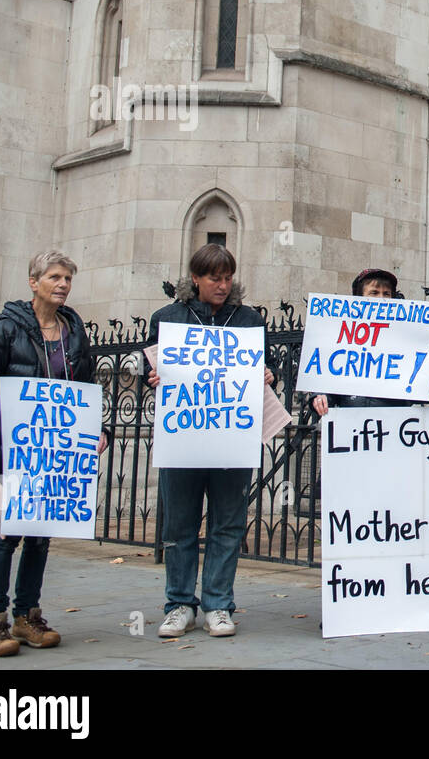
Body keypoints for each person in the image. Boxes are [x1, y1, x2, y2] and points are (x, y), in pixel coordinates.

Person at [0, 251, 107, 657]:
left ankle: (27, 616)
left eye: (68, 279)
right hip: (12, 453)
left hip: (54, 455)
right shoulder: (5, 331)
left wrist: (98, 430)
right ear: (33, 282)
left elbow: (86, 391)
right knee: (5, 536)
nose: (62, 285)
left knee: (40, 537)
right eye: (55, 277)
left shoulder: (73, 332)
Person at [145, 243, 274, 639]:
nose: (222, 285)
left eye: (228, 278)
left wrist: (268, 375)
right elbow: (151, 369)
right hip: (183, 439)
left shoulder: (249, 320)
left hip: (231, 441)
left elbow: (263, 367)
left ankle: (218, 604)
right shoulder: (168, 318)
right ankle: (179, 605)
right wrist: (153, 379)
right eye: (214, 278)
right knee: (178, 527)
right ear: (195, 279)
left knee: (228, 525)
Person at [308, 268, 429, 416]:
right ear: (359, 298)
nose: (381, 298)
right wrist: (319, 396)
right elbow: (327, 380)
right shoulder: (342, 337)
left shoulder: (406, 338)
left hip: (392, 422)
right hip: (350, 422)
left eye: (386, 294)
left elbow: (425, 393)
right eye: (374, 293)